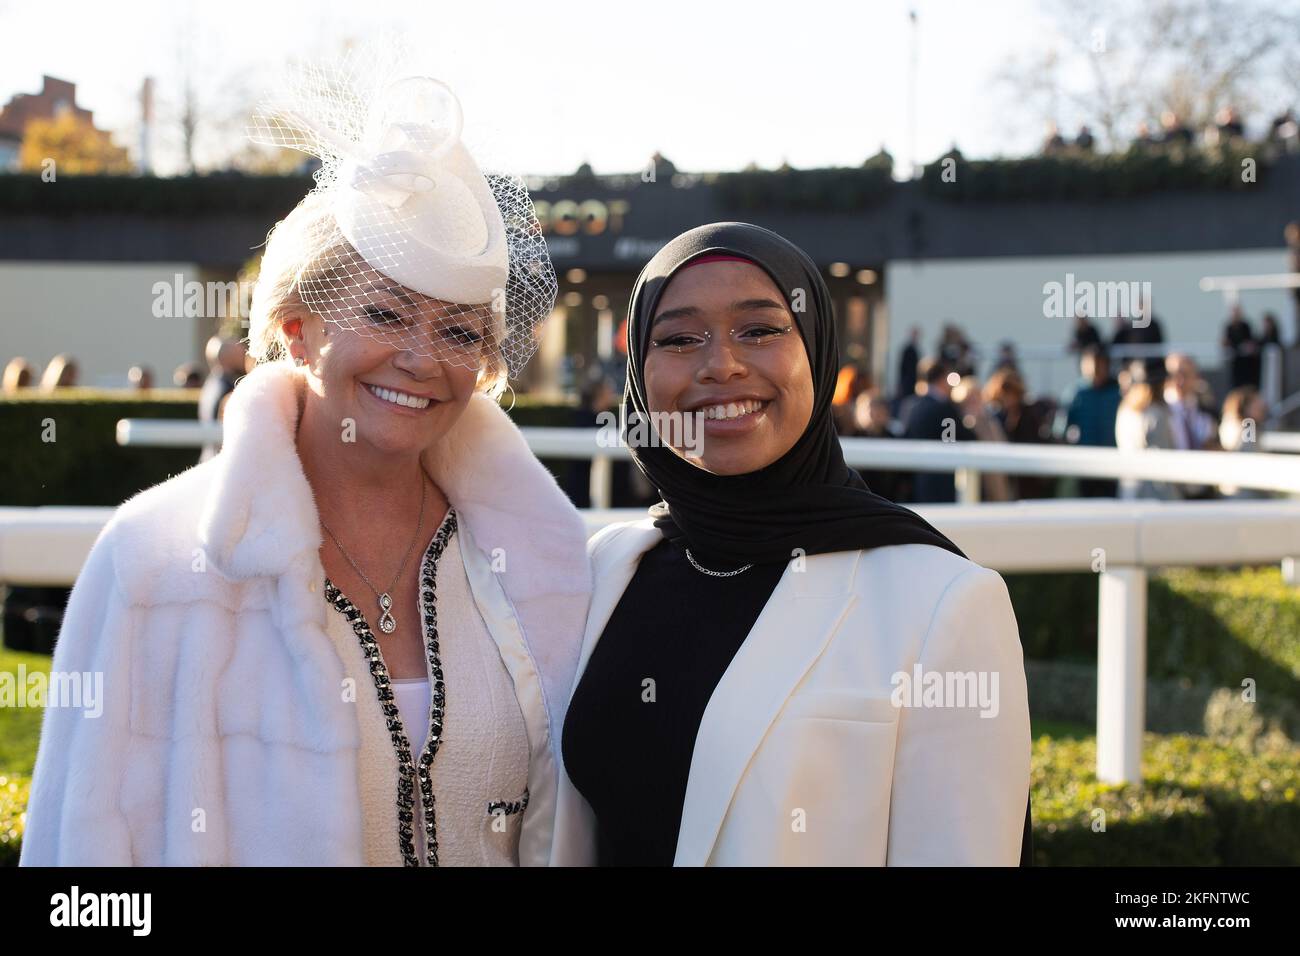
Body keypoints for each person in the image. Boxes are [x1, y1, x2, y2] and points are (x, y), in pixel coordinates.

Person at [21, 55, 590, 867]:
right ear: (296, 328)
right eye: (386, 314)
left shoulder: (544, 567)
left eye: (460, 332)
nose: (422, 359)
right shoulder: (155, 563)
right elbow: (78, 860)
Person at [553, 223, 1032, 866]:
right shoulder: (606, 568)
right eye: (677, 338)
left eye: (759, 330)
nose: (720, 363)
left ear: (818, 353)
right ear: (640, 374)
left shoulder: (939, 602)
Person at [904, 360, 977, 503]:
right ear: (942, 378)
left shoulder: (912, 406)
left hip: (919, 478)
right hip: (942, 480)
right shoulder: (944, 409)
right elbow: (952, 441)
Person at [1057, 345, 1122, 497]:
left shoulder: (1117, 394)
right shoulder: (1075, 393)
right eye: (1089, 364)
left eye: (1099, 364)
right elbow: (1060, 430)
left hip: (1112, 464)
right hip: (1084, 465)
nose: (1094, 369)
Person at [1115, 361, 1177, 500]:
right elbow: (1162, 456)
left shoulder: (1125, 410)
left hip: (1129, 487)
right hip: (1156, 493)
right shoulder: (1157, 414)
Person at [199, 336, 248, 461]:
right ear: (228, 357)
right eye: (240, 351)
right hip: (222, 461)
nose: (245, 354)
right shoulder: (229, 389)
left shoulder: (211, 384)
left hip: (209, 458)